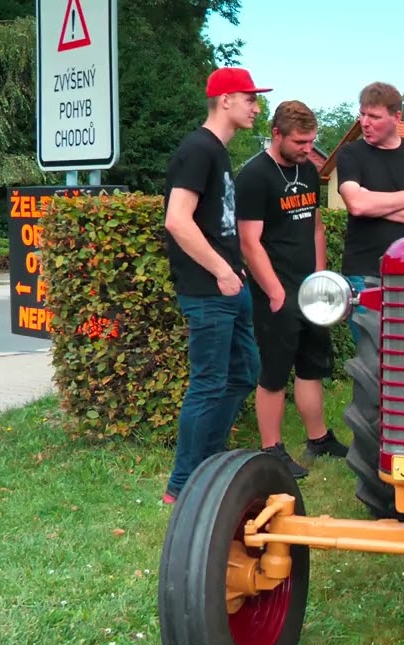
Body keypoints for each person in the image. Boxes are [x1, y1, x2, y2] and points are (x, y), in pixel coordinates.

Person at [160, 67, 270, 505]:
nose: (257, 107)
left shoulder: (219, 152)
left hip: (229, 287)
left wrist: (235, 271)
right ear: (225, 100)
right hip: (209, 291)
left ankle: (208, 462)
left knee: (245, 373)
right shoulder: (198, 150)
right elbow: (176, 220)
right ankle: (183, 484)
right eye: (250, 98)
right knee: (207, 383)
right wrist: (221, 271)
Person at [235, 100, 349, 479]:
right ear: (277, 134)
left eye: (311, 141)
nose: (307, 148)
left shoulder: (307, 170)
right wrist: (274, 292)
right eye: (301, 141)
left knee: (311, 367)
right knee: (273, 372)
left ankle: (318, 439)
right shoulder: (254, 177)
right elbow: (250, 241)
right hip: (275, 291)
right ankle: (271, 449)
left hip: (309, 290)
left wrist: (318, 279)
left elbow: (315, 226)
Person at [335, 82, 404, 342]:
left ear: (396, 117)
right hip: (364, 273)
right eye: (362, 114)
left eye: (374, 116)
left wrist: (374, 205)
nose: (365, 123)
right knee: (371, 353)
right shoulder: (351, 153)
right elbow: (356, 205)